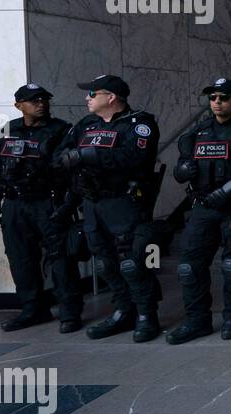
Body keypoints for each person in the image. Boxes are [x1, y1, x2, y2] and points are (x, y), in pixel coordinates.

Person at [55, 74, 163, 342]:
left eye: (93, 94)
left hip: (123, 202)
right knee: (104, 263)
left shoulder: (138, 123)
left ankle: (146, 315)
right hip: (92, 202)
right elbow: (62, 154)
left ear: (111, 97)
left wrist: (88, 156)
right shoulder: (86, 125)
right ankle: (122, 311)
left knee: (133, 262)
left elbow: (136, 156)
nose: (87, 98)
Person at [166, 78, 231, 343]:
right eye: (212, 98)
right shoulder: (198, 132)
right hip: (203, 207)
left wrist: (227, 193)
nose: (217, 102)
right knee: (189, 266)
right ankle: (196, 321)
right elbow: (181, 165)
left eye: (223, 98)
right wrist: (182, 171)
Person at [0, 83, 82, 333]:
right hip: (15, 204)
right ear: (18, 106)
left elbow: (68, 169)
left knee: (60, 259)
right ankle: (33, 309)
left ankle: (70, 312)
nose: (40, 103)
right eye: (33, 100)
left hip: (48, 201)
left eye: (43, 99)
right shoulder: (8, 129)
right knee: (20, 258)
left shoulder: (62, 130)